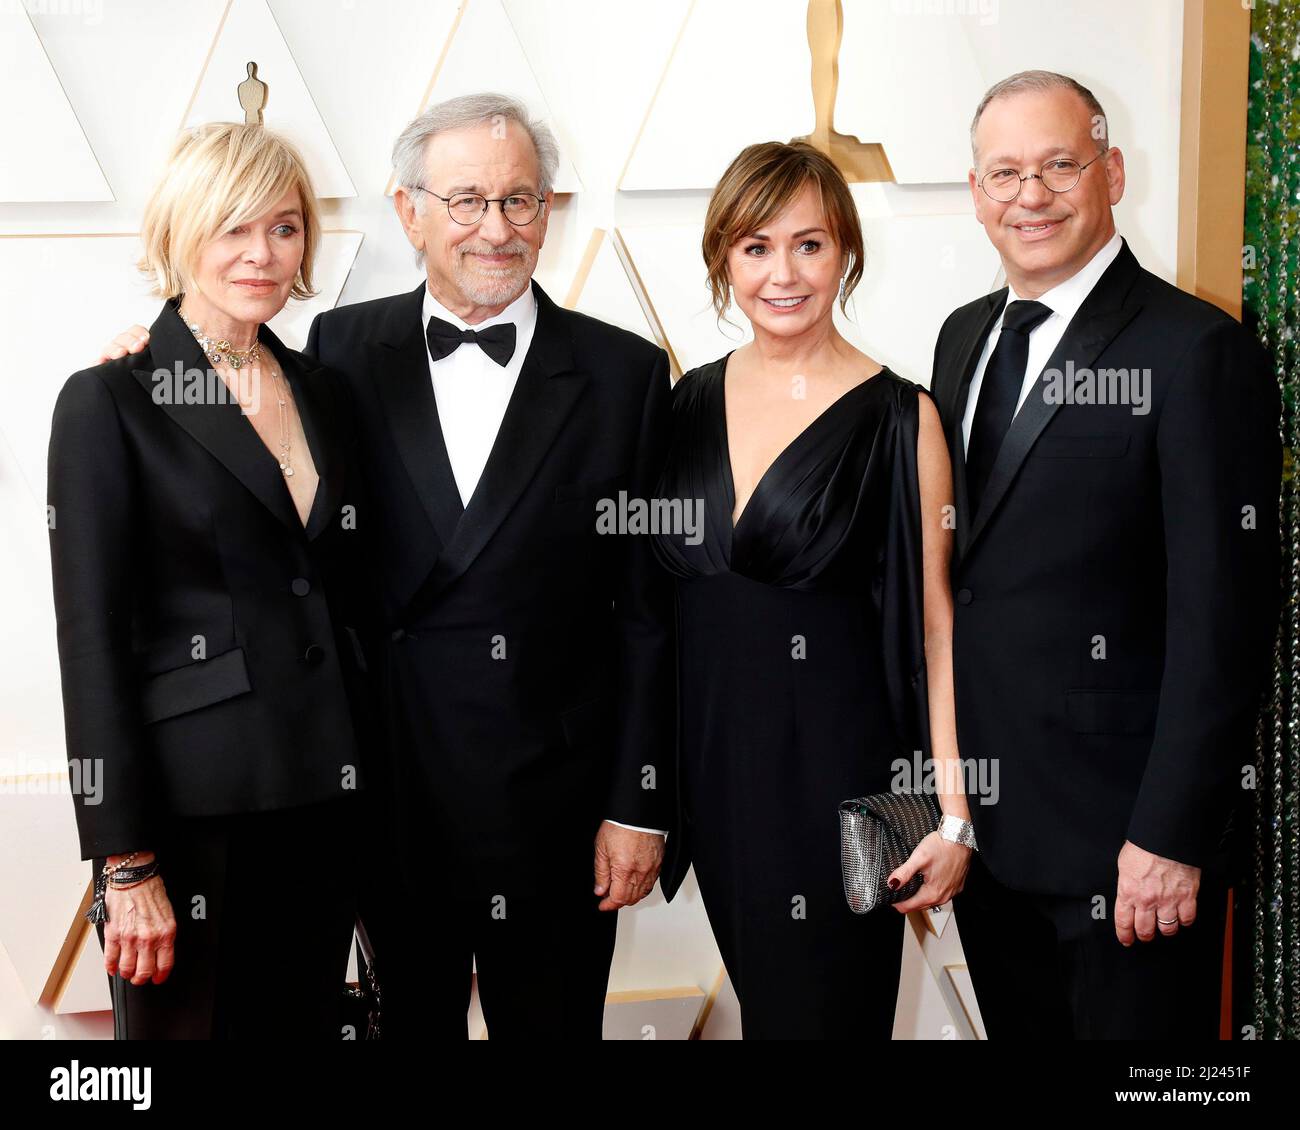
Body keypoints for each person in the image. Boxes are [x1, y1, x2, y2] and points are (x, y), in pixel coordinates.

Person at [99, 93, 675, 1039]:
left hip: (559, 814)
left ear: (548, 212)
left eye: (521, 201)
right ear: (408, 212)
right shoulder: (340, 351)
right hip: (385, 805)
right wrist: (149, 361)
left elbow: (648, 612)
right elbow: (230, 423)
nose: (496, 228)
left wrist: (639, 804)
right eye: (466, 200)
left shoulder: (627, 373)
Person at [932, 70, 1280, 1039]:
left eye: (1057, 165)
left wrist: (1168, 835)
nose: (1028, 195)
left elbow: (1225, 620)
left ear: (1111, 171)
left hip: (1128, 850)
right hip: (992, 838)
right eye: (1004, 172)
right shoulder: (960, 338)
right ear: (974, 191)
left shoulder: (1195, 350)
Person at [50, 122, 373, 1039]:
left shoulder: (324, 391)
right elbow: (91, 641)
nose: (260, 254)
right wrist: (124, 859)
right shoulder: (109, 398)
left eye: (282, 227)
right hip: (190, 821)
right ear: (182, 231)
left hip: (323, 803)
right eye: (232, 227)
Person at [652, 141, 975, 1039]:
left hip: (837, 787)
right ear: (723, 256)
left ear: (847, 254)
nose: (782, 273)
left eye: (810, 244)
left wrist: (954, 815)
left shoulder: (900, 417)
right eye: (755, 247)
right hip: (714, 783)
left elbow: (936, 627)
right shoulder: (683, 403)